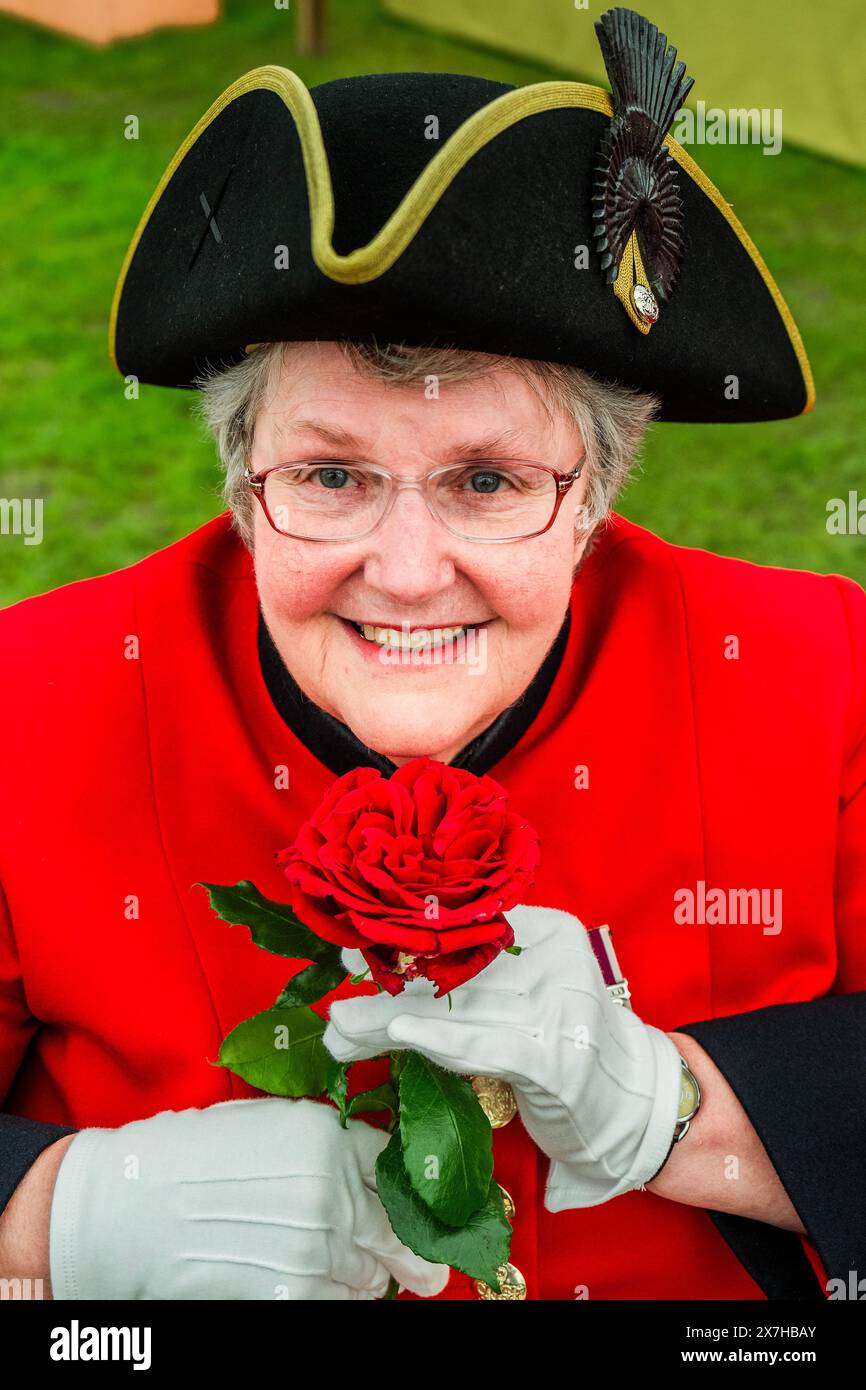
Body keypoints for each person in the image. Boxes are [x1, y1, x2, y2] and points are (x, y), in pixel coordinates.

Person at [1, 8, 863, 1301]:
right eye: (331, 472)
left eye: (486, 478)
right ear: (240, 482)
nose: (406, 570)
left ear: (595, 491)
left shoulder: (823, 677)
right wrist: (54, 1215)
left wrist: (685, 1112)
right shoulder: (30, 698)